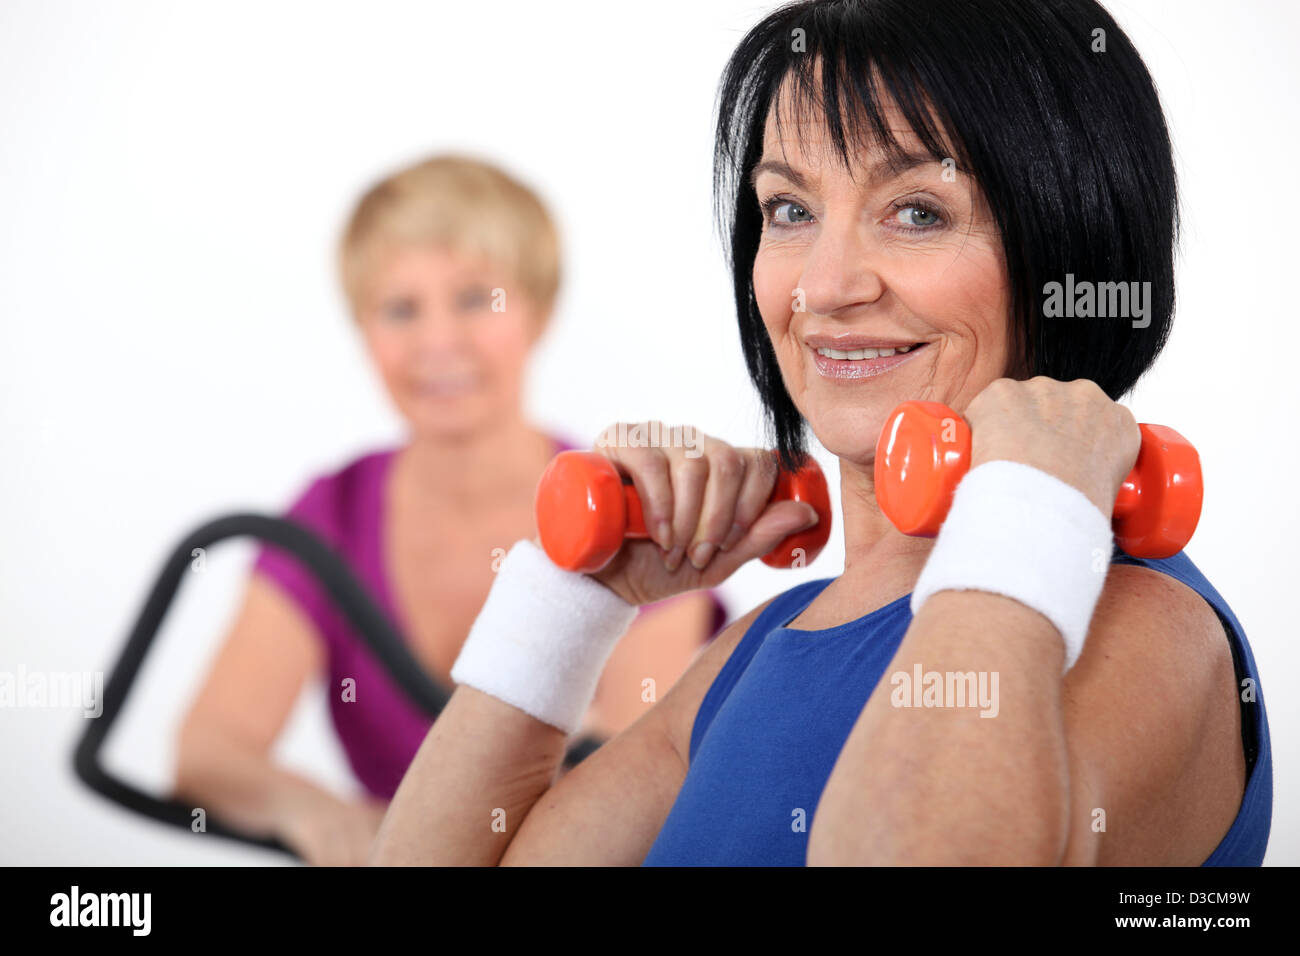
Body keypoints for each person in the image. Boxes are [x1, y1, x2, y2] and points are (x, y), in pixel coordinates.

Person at [370, 0, 1271, 866]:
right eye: (790, 211)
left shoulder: (1148, 628)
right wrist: (570, 600)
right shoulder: (761, 645)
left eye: (918, 211)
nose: (826, 286)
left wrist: (1027, 506)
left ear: (1070, 240)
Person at [173, 154, 728, 865]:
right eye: (400, 309)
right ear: (364, 333)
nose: (437, 342)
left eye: (474, 300)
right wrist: (315, 814)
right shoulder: (330, 516)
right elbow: (211, 750)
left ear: (538, 313)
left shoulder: (636, 509)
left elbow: (626, 797)